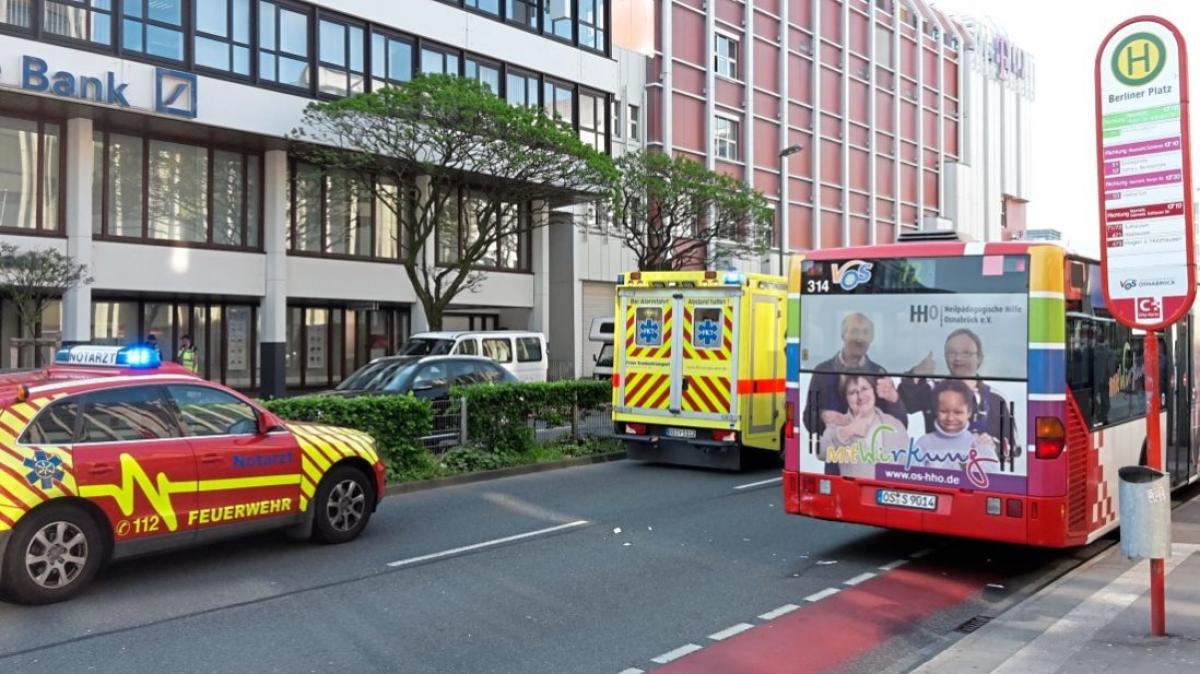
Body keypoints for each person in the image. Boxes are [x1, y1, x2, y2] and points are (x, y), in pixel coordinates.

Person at [899, 328, 1019, 468]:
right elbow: (902, 403)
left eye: (966, 353)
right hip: (939, 479)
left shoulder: (996, 398)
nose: (958, 358)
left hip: (981, 482)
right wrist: (917, 373)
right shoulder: (932, 390)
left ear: (979, 358)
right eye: (951, 353)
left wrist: (993, 445)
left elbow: (1014, 450)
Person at [802, 313, 907, 437]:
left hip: (871, 453)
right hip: (836, 452)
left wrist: (894, 400)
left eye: (865, 332)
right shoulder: (822, 372)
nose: (860, 338)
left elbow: (901, 426)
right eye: (855, 332)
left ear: (871, 338)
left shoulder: (879, 373)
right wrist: (822, 417)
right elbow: (808, 420)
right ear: (843, 335)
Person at [817, 374, 909, 478]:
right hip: (853, 492)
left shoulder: (895, 424)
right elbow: (821, 452)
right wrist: (848, 430)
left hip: (888, 493)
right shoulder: (838, 424)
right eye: (852, 393)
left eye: (864, 389)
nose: (860, 396)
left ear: (873, 392)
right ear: (846, 399)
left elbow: (906, 467)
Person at [915, 379, 1001, 474]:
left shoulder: (980, 444)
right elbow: (912, 478)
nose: (950, 418)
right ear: (936, 410)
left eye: (958, 412)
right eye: (944, 411)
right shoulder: (923, 444)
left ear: (969, 412)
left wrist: (973, 468)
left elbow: (994, 481)